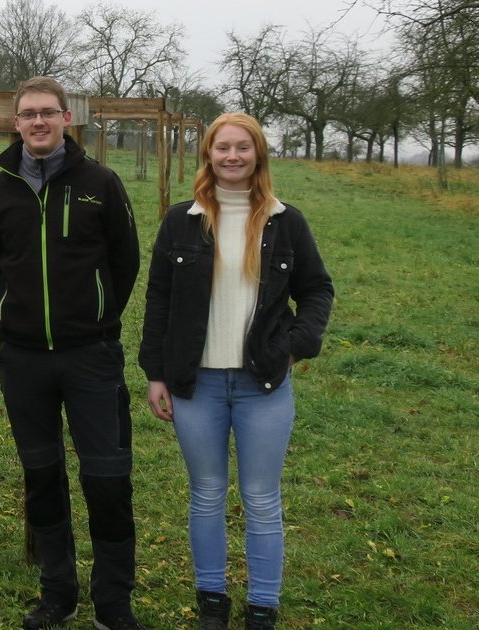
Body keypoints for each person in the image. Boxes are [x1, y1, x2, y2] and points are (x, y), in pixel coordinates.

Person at [138, 112, 333, 630]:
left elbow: (317, 290)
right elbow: (158, 298)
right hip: (196, 385)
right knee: (206, 495)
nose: (232, 156)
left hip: (262, 385)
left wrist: (294, 348)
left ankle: (262, 605)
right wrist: (156, 373)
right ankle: (212, 600)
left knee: (262, 498)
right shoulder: (181, 220)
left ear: (258, 155)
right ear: (208, 154)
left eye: (242, 148)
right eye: (222, 147)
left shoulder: (286, 222)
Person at [0, 76, 144, 630]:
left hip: (91, 356)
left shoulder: (101, 183)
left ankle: (113, 602)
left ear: (67, 119)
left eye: (48, 112)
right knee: (42, 476)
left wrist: (95, 316)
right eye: (28, 114)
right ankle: (58, 594)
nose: (39, 122)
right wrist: (16, 309)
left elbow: (125, 262)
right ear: (16, 123)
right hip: (23, 360)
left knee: (107, 478)